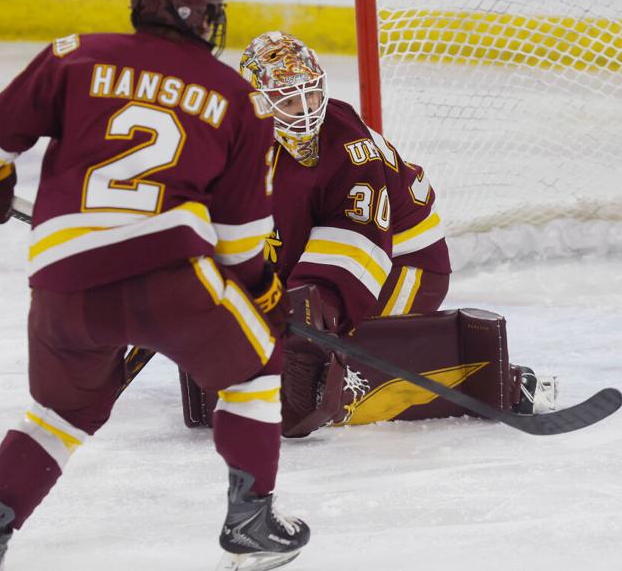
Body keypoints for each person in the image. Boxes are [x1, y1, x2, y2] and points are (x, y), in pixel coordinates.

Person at [0, 0, 310, 571]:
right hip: (172, 274)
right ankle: (249, 520)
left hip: (64, 281)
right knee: (253, 374)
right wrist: (263, 296)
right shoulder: (237, 98)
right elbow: (241, 238)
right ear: (202, 17)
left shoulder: (73, 55)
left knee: (58, 415)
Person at [180, 31, 556, 437]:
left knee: (328, 362)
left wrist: (307, 316)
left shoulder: (348, 148)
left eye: (311, 95)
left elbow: (355, 245)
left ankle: (499, 380)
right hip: (316, 260)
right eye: (288, 101)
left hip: (401, 262)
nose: (306, 111)